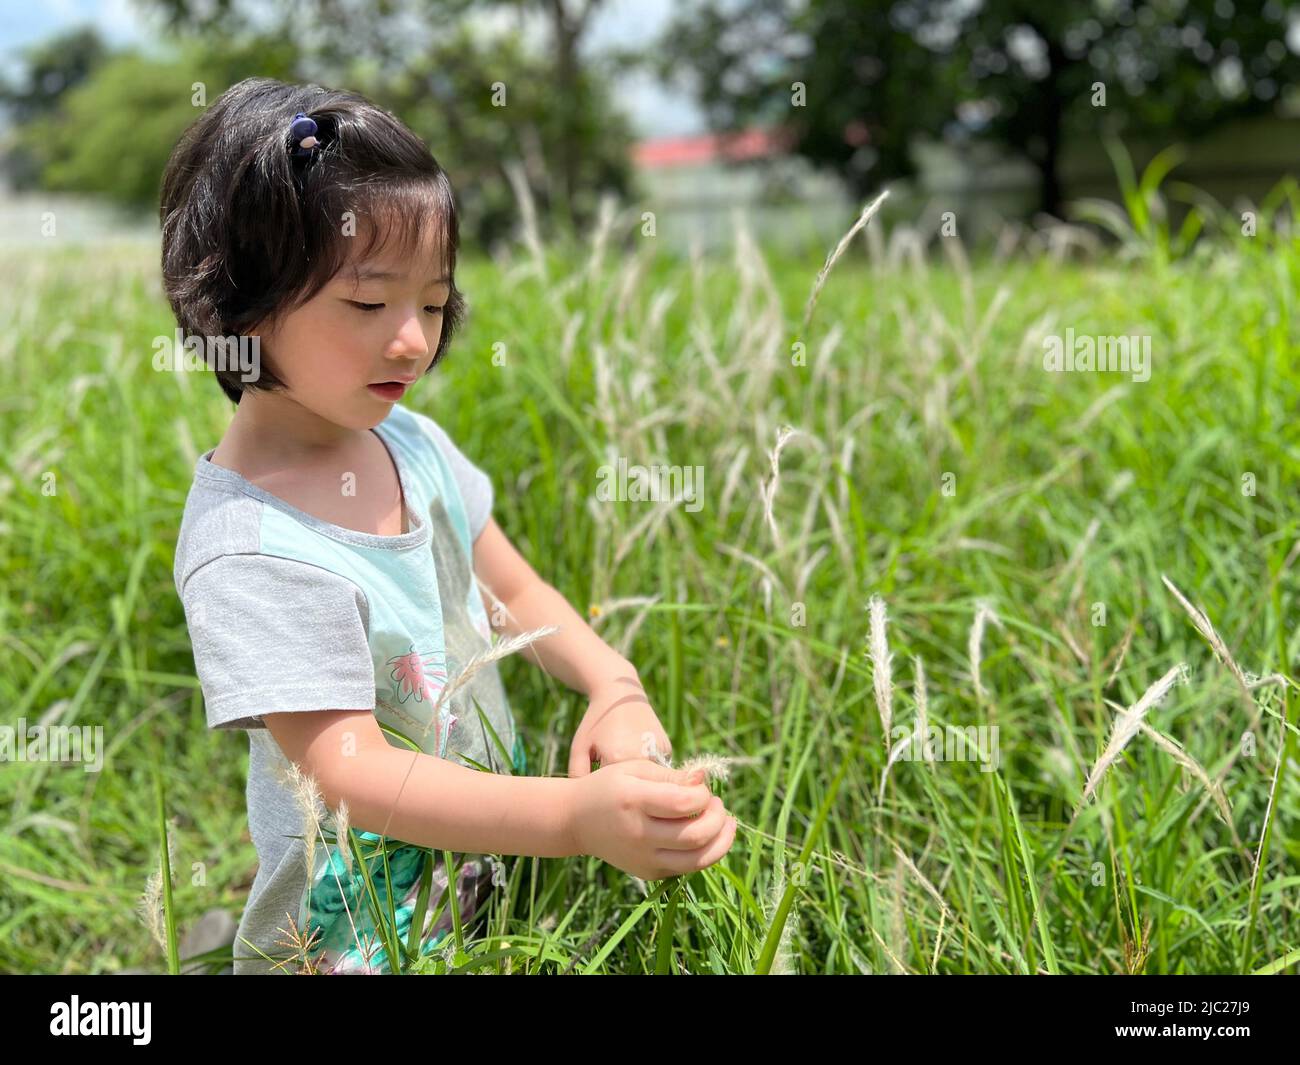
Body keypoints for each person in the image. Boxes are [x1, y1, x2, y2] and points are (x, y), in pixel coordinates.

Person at [161, 77, 736, 974]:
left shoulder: (412, 444)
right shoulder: (250, 544)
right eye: (367, 304)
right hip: (353, 942)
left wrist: (612, 684)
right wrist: (573, 821)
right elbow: (350, 769)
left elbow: (512, 590)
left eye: (432, 304)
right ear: (237, 304)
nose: (412, 341)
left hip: (479, 882)